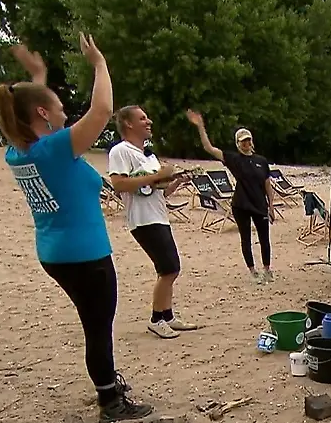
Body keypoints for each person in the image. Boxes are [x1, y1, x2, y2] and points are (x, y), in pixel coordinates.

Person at [0, 33, 151, 423]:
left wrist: (38, 77)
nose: (65, 114)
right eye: (60, 108)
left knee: (93, 322)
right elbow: (102, 110)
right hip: (85, 255)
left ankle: (107, 384)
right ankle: (109, 401)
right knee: (98, 328)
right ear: (43, 114)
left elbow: (27, 116)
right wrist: (99, 63)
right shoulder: (54, 149)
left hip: (55, 252)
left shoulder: (19, 151)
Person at [107, 106, 198, 339]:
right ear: (128, 124)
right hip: (143, 220)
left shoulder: (148, 155)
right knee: (169, 268)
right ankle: (157, 319)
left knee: (168, 269)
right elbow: (118, 184)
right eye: (142, 118)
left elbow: (160, 192)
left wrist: (177, 181)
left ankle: (168, 316)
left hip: (158, 216)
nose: (149, 122)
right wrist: (158, 175)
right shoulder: (120, 151)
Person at [186, 110, 276, 283]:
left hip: (260, 204)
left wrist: (271, 206)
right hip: (241, 205)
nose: (246, 143)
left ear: (252, 141)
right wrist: (200, 127)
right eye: (243, 141)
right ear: (237, 143)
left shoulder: (261, 161)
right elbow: (209, 148)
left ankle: (267, 269)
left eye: (248, 140)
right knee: (246, 238)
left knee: (265, 238)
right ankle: (253, 271)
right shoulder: (234, 159)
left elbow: (267, 185)